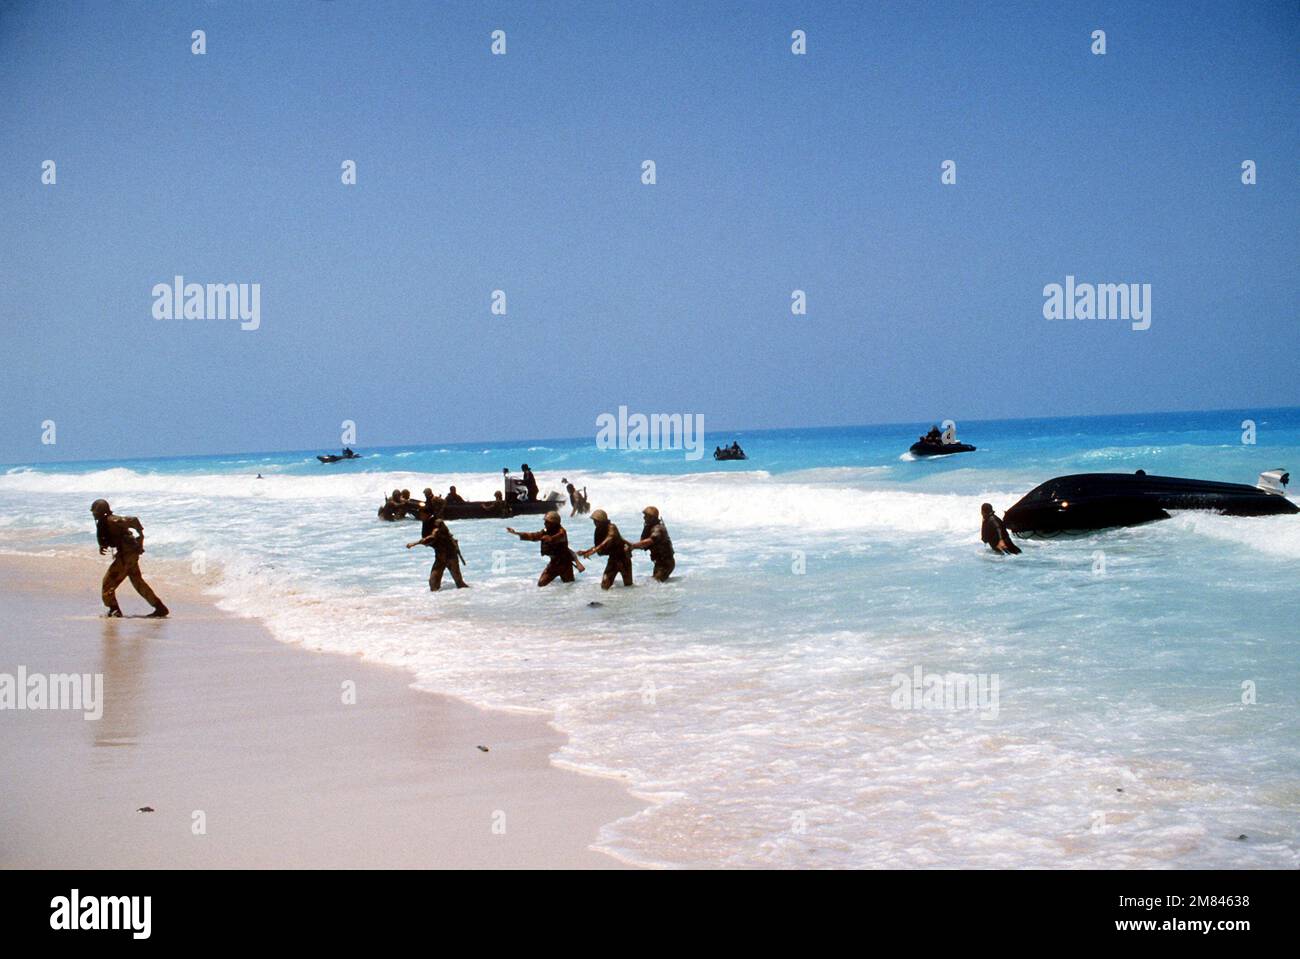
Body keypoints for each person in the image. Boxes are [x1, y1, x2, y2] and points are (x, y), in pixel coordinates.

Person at [91, 499, 169, 617]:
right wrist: (102, 546)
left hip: (126, 556)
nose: (94, 514)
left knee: (107, 584)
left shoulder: (112, 520)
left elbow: (133, 520)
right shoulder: (105, 522)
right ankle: (160, 608)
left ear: (100, 511)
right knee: (138, 583)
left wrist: (141, 537)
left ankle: (114, 610)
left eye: (95, 512)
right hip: (129, 555)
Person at [506, 511, 582, 586]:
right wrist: (516, 533)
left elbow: (561, 538)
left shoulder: (561, 532)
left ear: (554, 524)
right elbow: (533, 536)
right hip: (553, 564)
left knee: (570, 587)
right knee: (541, 584)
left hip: (565, 565)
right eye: (545, 522)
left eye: (547, 522)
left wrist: (551, 539)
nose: (544, 523)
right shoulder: (545, 531)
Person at [406, 504, 468, 590]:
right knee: (433, 583)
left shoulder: (437, 522)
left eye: (421, 514)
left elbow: (433, 535)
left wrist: (415, 543)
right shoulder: (426, 522)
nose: (419, 516)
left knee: (459, 583)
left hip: (450, 555)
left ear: (427, 514)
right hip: (440, 556)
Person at [578, 509, 633, 590]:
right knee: (605, 584)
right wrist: (587, 551)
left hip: (623, 559)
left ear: (602, 521)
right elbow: (600, 545)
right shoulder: (599, 530)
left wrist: (594, 550)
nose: (595, 523)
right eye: (594, 521)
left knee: (629, 586)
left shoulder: (612, 527)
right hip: (613, 559)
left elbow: (609, 538)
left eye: (597, 521)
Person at [628, 506, 675, 581]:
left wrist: (633, 546)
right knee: (656, 582)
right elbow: (642, 544)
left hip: (666, 563)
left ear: (652, 518)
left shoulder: (658, 529)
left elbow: (650, 541)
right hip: (659, 562)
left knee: (656, 583)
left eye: (646, 516)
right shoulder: (650, 527)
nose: (644, 518)